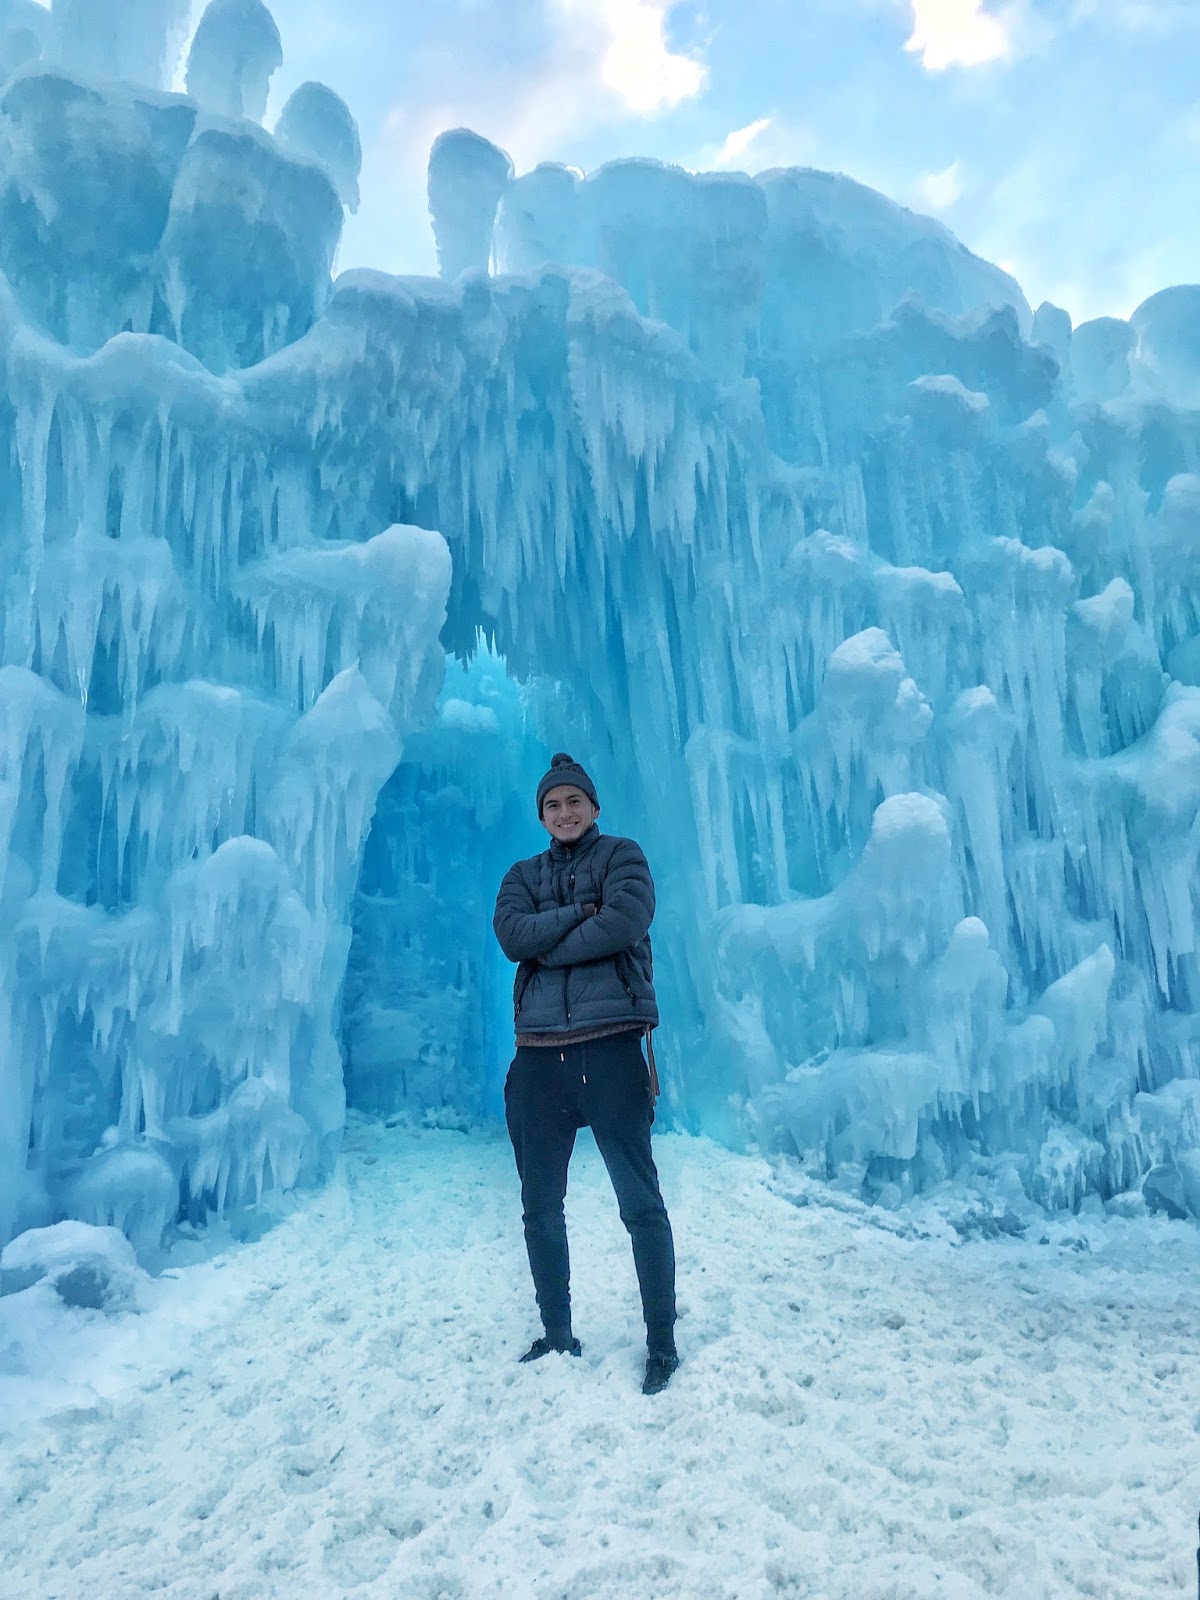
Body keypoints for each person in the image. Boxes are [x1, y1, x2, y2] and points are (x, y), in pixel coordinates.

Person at [492, 753, 679, 1396]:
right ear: (541, 816)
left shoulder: (624, 857)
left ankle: (662, 1344)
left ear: (594, 808)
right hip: (540, 1060)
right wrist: (579, 917)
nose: (565, 813)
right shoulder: (521, 875)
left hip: (612, 1051)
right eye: (552, 805)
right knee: (540, 1207)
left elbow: (624, 921)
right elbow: (512, 935)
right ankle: (556, 1332)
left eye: (575, 801)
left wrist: (550, 941)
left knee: (639, 1202)